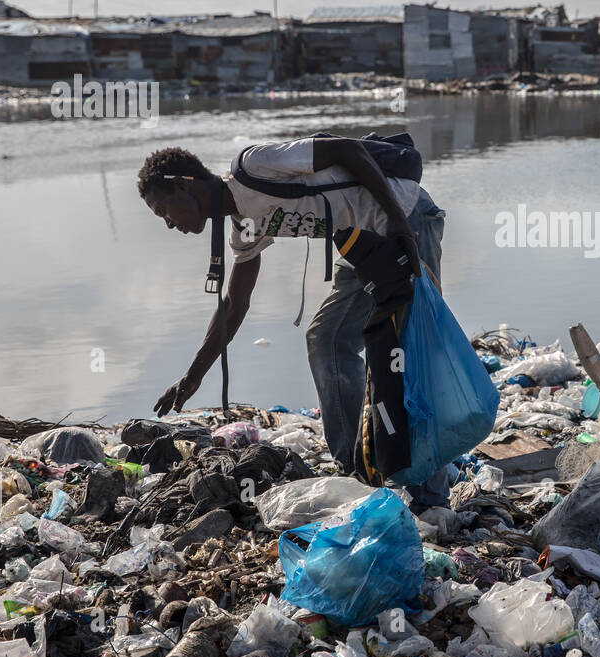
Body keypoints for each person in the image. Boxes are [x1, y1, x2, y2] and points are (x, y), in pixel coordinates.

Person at [136, 134, 451, 510]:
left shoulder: (252, 167)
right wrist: (193, 376)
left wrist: (400, 225)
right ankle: (358, 469)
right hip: (362, 246)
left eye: (163, 211)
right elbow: (234, 304)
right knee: (326, 339)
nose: (168, 224)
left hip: (406, 217)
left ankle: (431, 496)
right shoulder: (243, 227)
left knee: (414, 348)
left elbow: (346, 150)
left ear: (183, 185)